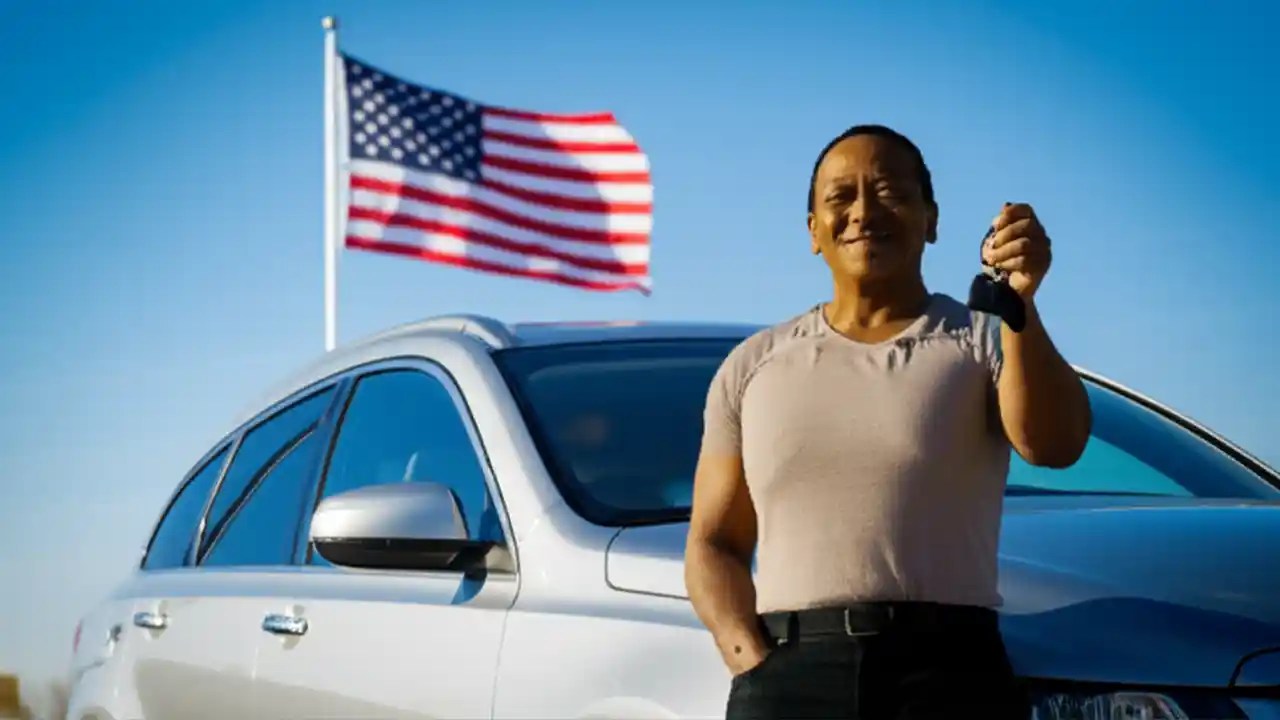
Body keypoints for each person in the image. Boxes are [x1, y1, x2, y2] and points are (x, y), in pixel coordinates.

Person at [684, 124, 1092, 719]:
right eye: (840, 198)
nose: (863, 212)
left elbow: (1054, 444)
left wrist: (1021, 305)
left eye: (888, 192)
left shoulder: (983, 340)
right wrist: (747, 653)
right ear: (812, 232)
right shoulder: (753, 366)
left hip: (950, 675)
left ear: (930, 219)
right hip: (790, 676)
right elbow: (715, 540)